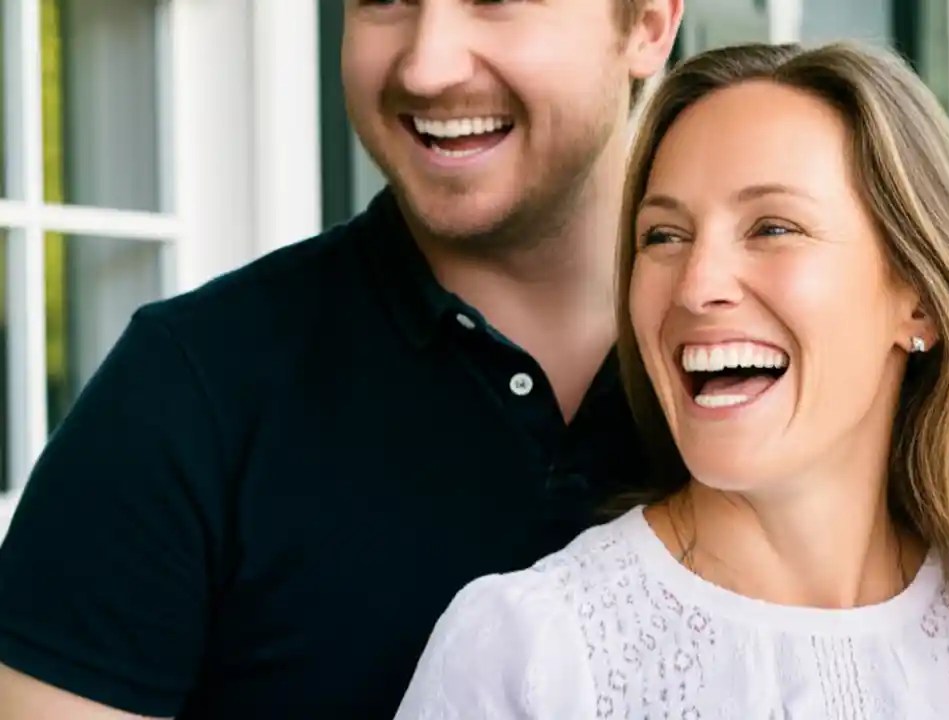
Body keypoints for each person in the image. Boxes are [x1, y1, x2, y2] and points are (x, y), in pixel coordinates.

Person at [392, 41, 949, 719]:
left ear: (921, 301)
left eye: (772, 228)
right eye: (663, 236)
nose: (697, 285)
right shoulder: (529, 652)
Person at [0, 0, 681, 717]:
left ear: (648, 23)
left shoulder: (773, 391)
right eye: (384, 0)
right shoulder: (185, 393)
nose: (426, 65)